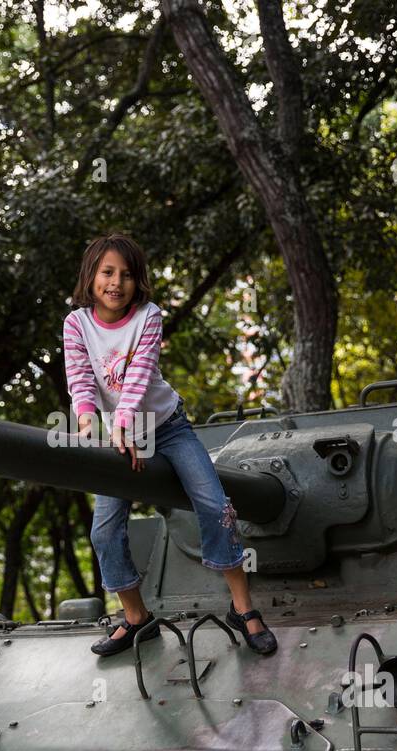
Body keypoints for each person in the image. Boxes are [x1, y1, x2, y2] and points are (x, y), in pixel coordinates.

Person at [62, 233, 278, 658]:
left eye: (126, 275)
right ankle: (138, 619)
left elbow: (140, 375)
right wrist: (88, 422)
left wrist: (125, 426)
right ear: (90, 277)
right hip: (119, 436)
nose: (116, 283)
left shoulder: (149, 316)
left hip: (167, 426)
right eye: (107, 272)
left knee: (216, 507)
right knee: (103, 529)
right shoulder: (77, 324)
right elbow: (81, 379)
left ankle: (242, 607)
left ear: (137, 281)